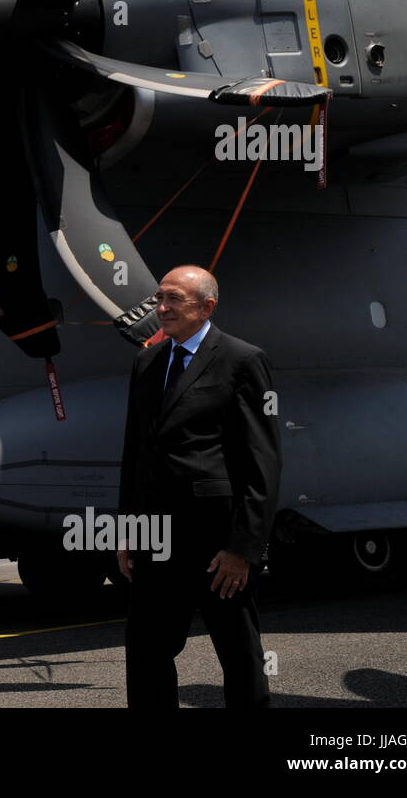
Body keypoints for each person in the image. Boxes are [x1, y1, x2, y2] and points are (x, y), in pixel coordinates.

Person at [116, 265, 281, 707]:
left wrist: (244, 549)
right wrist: (126, 533)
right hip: (155, 539)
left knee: (239, 652)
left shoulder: (242, 360)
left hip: (217, 545)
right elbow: (136, 455)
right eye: (159, 298)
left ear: (206, 307)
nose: (162, 308)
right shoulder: (147, 361)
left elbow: (261, 461)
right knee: (146, 650)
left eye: (173, 300)